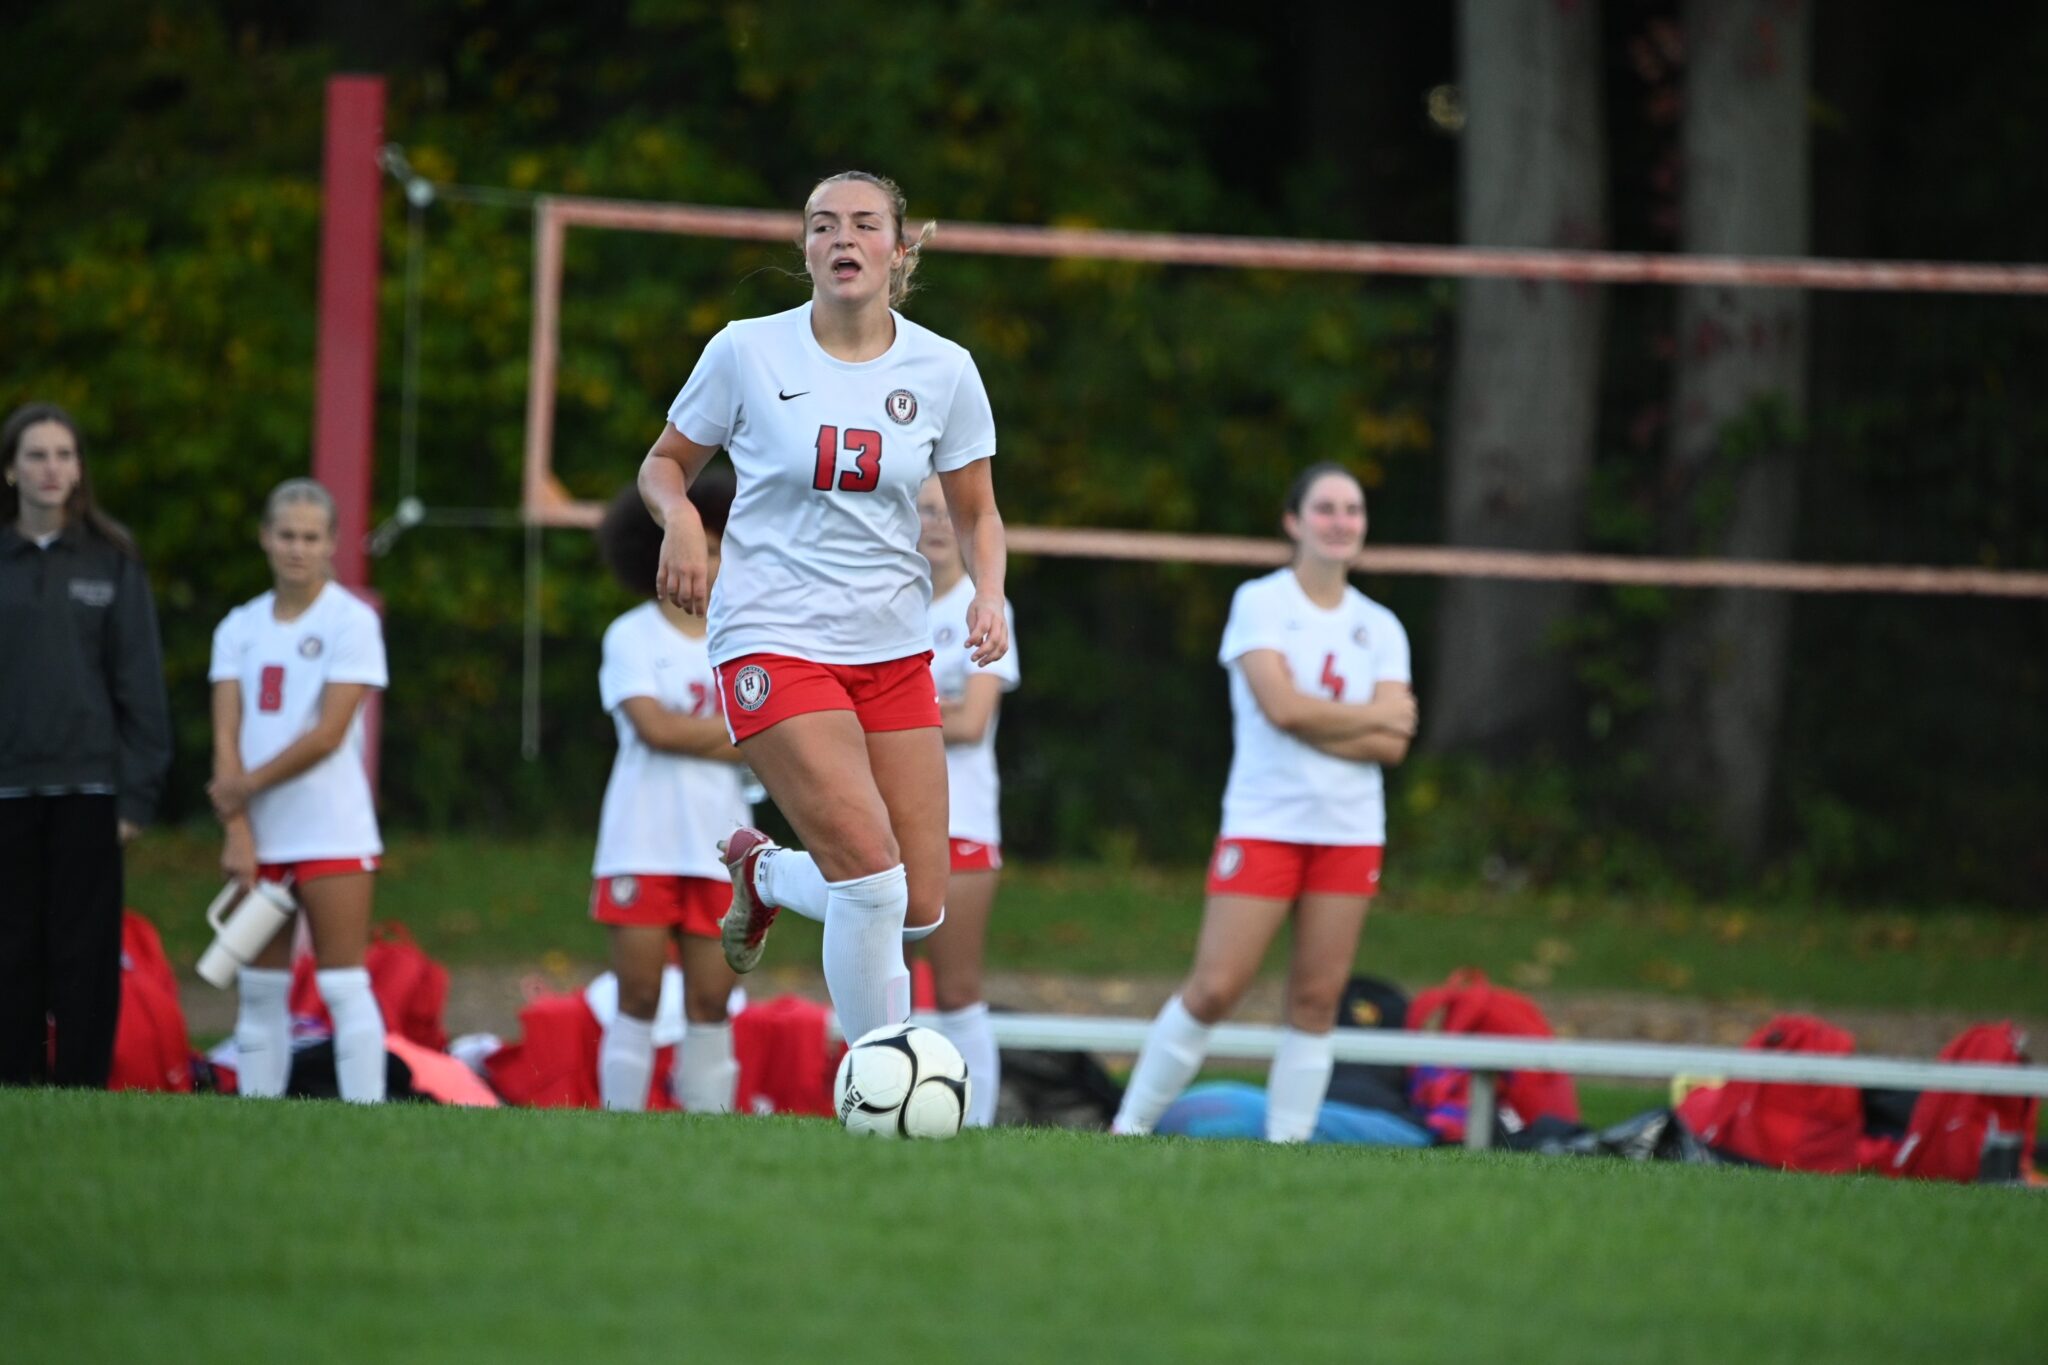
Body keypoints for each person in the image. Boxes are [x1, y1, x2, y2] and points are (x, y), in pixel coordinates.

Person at [638, 169, 1007, 1050]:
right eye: (822, 225)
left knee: (918, 902)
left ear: (899, 249)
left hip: (890, 646)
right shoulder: (745, 349)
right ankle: (880, 1081)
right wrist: (683, 519)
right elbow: (663, 464)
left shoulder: (945, 368)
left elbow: (977, 511)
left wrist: (989, 592)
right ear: (804, 249)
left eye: (864, 223)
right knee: (872, 879)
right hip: (772, 634)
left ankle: (763, 871)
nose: (843, 238)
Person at [1112, 463, 1417, 1142]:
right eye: (1326, 508)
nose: (1341, 522)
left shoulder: (1382, 625)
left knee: (1315, 998)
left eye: (1353, 510)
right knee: (1216, 987)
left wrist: (1332, 720)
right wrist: (1367, 716)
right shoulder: (1261, 601)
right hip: (1266, 822)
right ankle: (1128, 1126)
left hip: (1350, 830)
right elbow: (1280, 707)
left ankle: (1287, 1148)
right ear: (1294, 521)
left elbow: (1395, 744)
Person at [0, 401, 171, 1088]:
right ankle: (13, 1084)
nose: (51, 469)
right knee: (11, 950)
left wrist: (137, 794)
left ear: (79, 470)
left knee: (85, 953)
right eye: (36, 455)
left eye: (63, 455)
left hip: (91, 791)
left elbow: (142, 688)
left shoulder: (113, 560)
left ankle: (80, 1087)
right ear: (11, 469)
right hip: (7, 788)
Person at [208, 478, 390, 1102]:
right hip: (263, 833)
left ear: (332, 543)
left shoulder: (353, 621)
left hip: (332, 826)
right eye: (286, 535)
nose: (297, 548)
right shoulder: (238, 627)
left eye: (311, 537)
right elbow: (226, 729)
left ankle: (366, 1115)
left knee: (342, 982)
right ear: (265, 537)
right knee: (259, 990)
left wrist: (241, 789)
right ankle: (258, 1114)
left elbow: (328, 733)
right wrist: (239, 827)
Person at [589, 473, 750, 1113]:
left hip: (721, 845)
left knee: (712, 1001)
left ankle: (708, 1135)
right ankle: (618, 1129)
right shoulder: (629, 636)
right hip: (640, 840)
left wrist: (729, 734)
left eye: (715, 550)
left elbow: (772, 735)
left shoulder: (746, 638)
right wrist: (737, 731)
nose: (701, 562)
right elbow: (653, 730)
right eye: (690, 547)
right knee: (639, 997)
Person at [914, 475, 1018, 1126]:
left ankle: (976, 1123)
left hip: (964, 817)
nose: (933, 523)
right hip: (886, 815)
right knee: (882, 985)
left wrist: (893, 710)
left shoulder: (984, 610)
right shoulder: (881, 605)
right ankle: (879, 1106)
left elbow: (971, 722)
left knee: (957, 989)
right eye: (920, 509)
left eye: (946, 511)